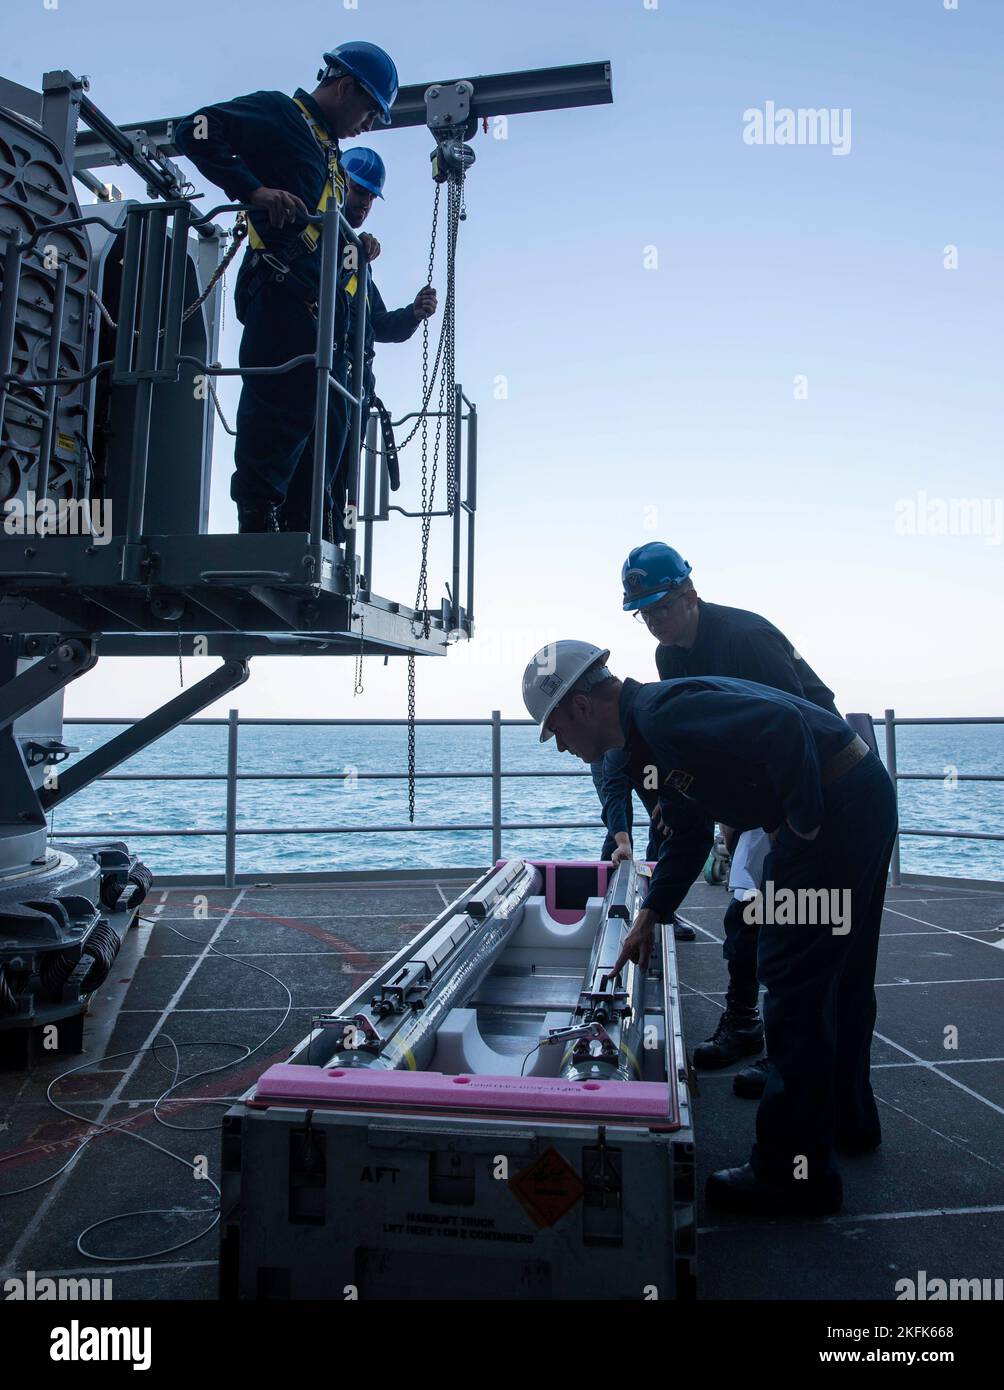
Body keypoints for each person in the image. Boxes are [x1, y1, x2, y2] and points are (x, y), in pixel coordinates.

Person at [522, 640, 897, 1215]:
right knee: (842, 974)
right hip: (859, 795)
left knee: (792, 976)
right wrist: (651, 914)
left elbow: (781, 727)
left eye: (558, 733)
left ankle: (793, 1174)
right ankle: (850, 1119)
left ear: (580, 706)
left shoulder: (663, 712)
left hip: (835, 808)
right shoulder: (643, 743)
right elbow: (688, 835)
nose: (565, 749)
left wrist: (801, 826)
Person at [619, 541, 841, 1099]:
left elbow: (804, 727)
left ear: (692, 594)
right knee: (745, 917)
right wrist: (723, 814)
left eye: (662, 607)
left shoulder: (747, 639)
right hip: (755, 796)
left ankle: (794, 1055)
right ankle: (744, 1021)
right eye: (644, 613)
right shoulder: (670, 659)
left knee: (800, 929)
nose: (653, 622)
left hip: (814, 786)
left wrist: (795, 823)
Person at [173, 41, 399, 533]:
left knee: (322, 426)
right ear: (345, 88)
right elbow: (193, 130)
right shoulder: (280, 114)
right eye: (370, 112)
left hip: (320, 317)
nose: (369, 125)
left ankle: (301, 529)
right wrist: (252, 190)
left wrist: (355, 251)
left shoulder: (328, 151)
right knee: (277, 410)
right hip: (280, 294)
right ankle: (259, 522)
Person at [281, 146, 438, 533]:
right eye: (358, 191)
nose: (365, 202)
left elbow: (378, 325)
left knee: (343, 485)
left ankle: (337, 546)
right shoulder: (313, 237)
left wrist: (413, 313)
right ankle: (306, 539)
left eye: (370, 196)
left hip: (352, 391)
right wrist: (351, 247)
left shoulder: (358, 267)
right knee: (312, 472)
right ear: (338, 185)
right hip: (318, 383)